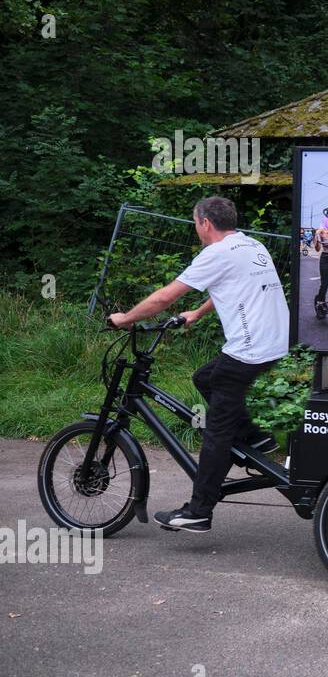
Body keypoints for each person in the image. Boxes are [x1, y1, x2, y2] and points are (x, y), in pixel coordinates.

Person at [108, 196, 289, 534]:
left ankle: (199, 510)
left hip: (248, 354)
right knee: (204, 377)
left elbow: (164, 297)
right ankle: (255, 437)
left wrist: (126, 319)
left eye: (195, 223)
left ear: (205, 223)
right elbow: (231, 285)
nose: (196, 229)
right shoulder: (251, 245)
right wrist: (198, 312)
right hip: (274, 347)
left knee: (216, 431)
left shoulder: (216, 253)